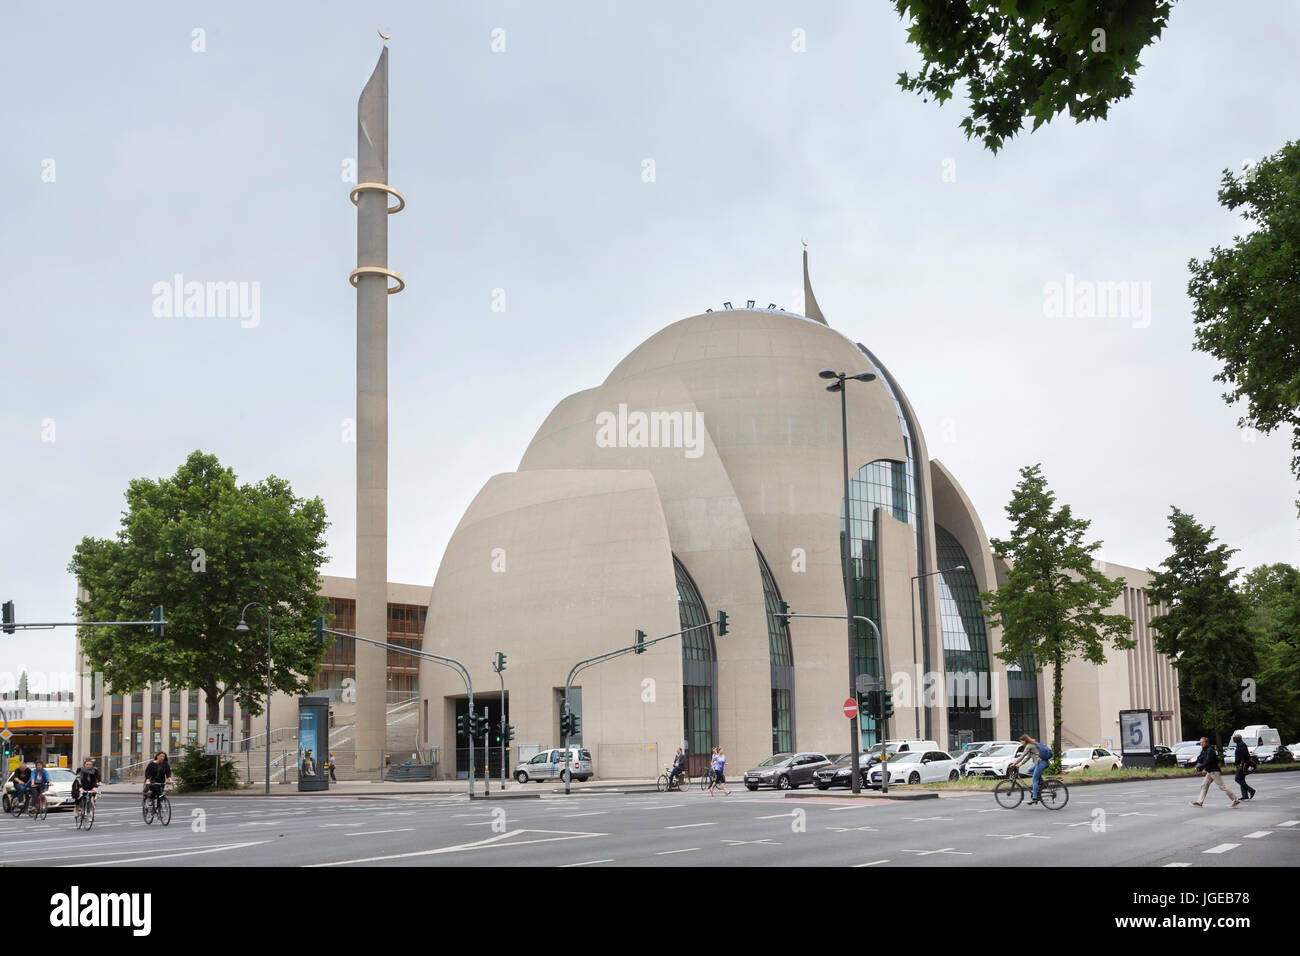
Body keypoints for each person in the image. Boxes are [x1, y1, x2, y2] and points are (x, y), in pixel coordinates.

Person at [1190, 737, 1239, 808]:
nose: (1201, 744)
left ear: (1206, 742)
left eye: (1202, 742)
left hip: (1214, 771)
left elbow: (1207, 761)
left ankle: (1235, 800)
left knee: (1222, 787)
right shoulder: (1204, 750)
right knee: (1204, 785)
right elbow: (1201, 758)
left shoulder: (1210, 750)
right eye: (1200, 742)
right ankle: (1199, 802)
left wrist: (1200, 767)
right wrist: (1195, 762)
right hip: (1210, 771)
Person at [1009, 734, 1052, 805]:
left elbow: (1022, 755)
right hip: (1044, 762)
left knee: (1034, 779)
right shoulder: (1033, 744)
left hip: (1040, 763)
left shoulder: (1029, 746)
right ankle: (1042, 784)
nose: (1021, 743)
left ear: (1025, 740)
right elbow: (1028, 757)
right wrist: (1020, 764)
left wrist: (1014, 763)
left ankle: (1034, 798)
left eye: (1021, 741)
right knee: (1030, 770)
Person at [72, 758, 103, 823]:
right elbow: (78, 779)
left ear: (92, 765)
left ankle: (88, 816)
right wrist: (80, 787)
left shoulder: (94, 770)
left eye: (90, 764)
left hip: (90, 785)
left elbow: (96, 778)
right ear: (84, 764)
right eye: (87, 764)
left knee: (89, 800)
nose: (88, 766)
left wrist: (96, 785)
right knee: (78, 796)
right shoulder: (80, 769)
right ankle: (76, 809)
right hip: (79, 784)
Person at [1232, 734, 1257, 801]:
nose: (1233, 739)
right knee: (1242, 780)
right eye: (1233, 738)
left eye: (1235, 738)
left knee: (1238, 779)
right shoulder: (1239, 744)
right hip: (1239, 764)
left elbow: (1244, 755)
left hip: (1241, 765)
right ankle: (1245, 796)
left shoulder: (1241, 744)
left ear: (1239, 738)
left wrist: (1241, 764)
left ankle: (1251, 791)